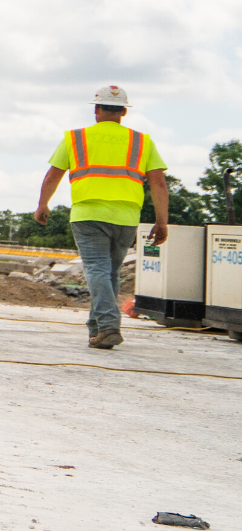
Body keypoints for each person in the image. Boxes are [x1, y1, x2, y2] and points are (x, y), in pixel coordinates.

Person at [36, 85, 170, 349]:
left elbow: (53, 175)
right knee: (110, 273)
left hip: (88, 213)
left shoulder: (75, 138)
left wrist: (43, 204)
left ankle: (108, 324)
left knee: (97, 269)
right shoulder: (142, 141)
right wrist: (161, 220)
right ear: (123, 112)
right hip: (127, 217)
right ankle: (97, 330)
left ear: (96, 110)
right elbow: (159, 183)